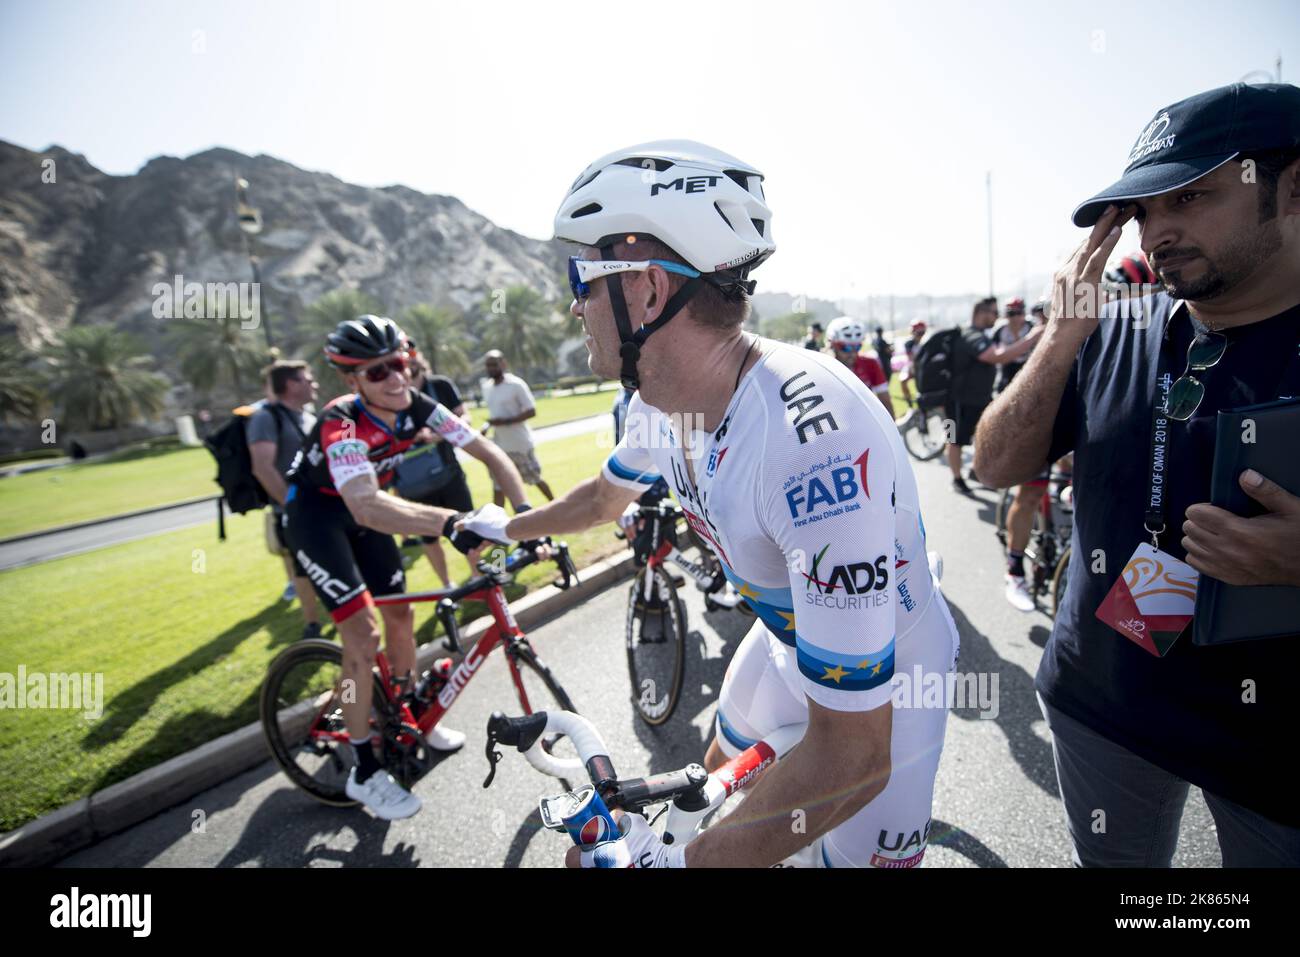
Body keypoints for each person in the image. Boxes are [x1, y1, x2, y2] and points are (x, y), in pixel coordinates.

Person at [458, 139, 961, 868]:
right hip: (784, 643)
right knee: (697, 804)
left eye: (583, 278)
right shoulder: (656, 403)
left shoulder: (809, 441)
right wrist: (509, 525)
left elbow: (854, 752)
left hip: (890, 687)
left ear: (648, 291)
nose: (573, 304)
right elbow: (604, 494)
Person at [975, 81, 1300, 865]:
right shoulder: (1108, 330)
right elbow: (992, 463)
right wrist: (1062, 334)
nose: (1159, 230)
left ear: (1292, 188)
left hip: (1274, 752)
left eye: (1191, 195)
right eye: (1146, 208)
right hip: (1103, 708)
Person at [283, 314, 533, 820]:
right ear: (352, 381)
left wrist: (526, 516)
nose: (396, 378)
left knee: (400, 621)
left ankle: (402, 716)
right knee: (362, 632)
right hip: (319, 520)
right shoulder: (344, 421)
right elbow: (363, 504)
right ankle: (363, 768)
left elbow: (488, 453)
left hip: (369, 514)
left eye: (400, 363)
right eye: (378, 373)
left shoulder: (418, 403)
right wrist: (451, 522)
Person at [246, 360, 322, 638]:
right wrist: (291, 504)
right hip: (294, 510)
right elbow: (263, 467)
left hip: (320, 506)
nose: (314, 384)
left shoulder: (308, 416)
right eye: (307, 379)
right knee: (303, 567)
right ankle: (312, 625)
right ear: (290, 385)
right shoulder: (266, 418)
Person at [946, 296, 1041, 495]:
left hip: (980, 399)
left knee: (984, 436)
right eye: (995, 313)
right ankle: (957, 479)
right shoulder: (972, 336)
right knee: (954, 440)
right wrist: (1032, 338)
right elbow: (997, 357)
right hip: (957, 401)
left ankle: (976, 472)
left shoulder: (982, 334)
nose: (997, 317)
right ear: (981, 313)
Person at [400, 348, 475, 589]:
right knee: (428, 537)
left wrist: (439, 434)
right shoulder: (389, 395)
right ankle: (446, 584)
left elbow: (465, 420)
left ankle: (479, 575)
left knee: (467, 524)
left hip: (449, 472)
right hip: (414, 483)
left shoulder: (440, 385)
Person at [481, 350, 554, 507]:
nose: (491, 368)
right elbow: (495, 414)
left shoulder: (516, 384)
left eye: (494, 364)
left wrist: (506, 421)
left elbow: (531, 411)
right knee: (498, 486)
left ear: (503, 364)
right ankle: (496, 525)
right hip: (499, 446)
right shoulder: (487, 387)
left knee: (535, 479)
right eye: (488, 365)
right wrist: (487, 425)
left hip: (520, 444)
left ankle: (558, 507)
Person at [825, 315, 894, 418]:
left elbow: (886, 401)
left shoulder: (870, 364)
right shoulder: (823, 368)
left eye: (857, 346)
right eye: (846, 348)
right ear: (832, 345)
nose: (853, 353)